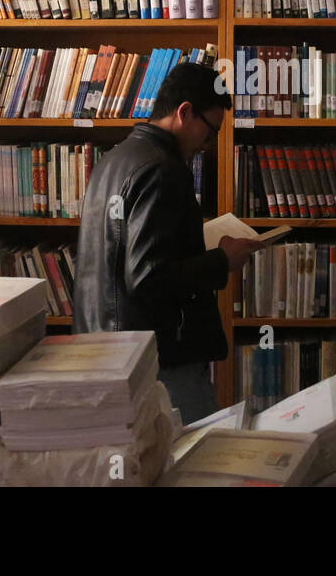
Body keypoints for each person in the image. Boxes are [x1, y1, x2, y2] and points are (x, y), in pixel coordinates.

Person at [73, 62, 260, 423]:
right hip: (158, 362)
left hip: (107, 351)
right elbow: (147, 276)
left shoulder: (114, 159)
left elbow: (120, 258)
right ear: (184, 112)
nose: (207, 146)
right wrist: (222, 260)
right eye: (209, 133)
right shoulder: (162, 169)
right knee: (197, 464)